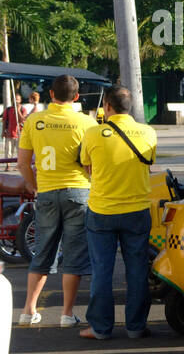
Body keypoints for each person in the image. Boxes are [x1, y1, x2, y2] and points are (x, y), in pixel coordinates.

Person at [77, 84, 158, 339]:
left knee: (102, 270)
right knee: (137, 270)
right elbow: (148, 165)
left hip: (102, 211)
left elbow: (86, 165)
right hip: (137, 211)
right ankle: (135, 327)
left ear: (107, 107)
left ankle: (100, 328)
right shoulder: (147, 132)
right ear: (129, 107)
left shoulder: (93, 133)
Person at [16, 76, 95, 327]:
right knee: (73, 255)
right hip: (78, 191)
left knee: (43, 252)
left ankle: (28, 310)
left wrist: (33, 185)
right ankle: (67, 314)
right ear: (76, 96)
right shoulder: (85, 122)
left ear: (51, 94)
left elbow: (22, 163)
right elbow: (91, 164)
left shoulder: (35, 120)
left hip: (47, 193)